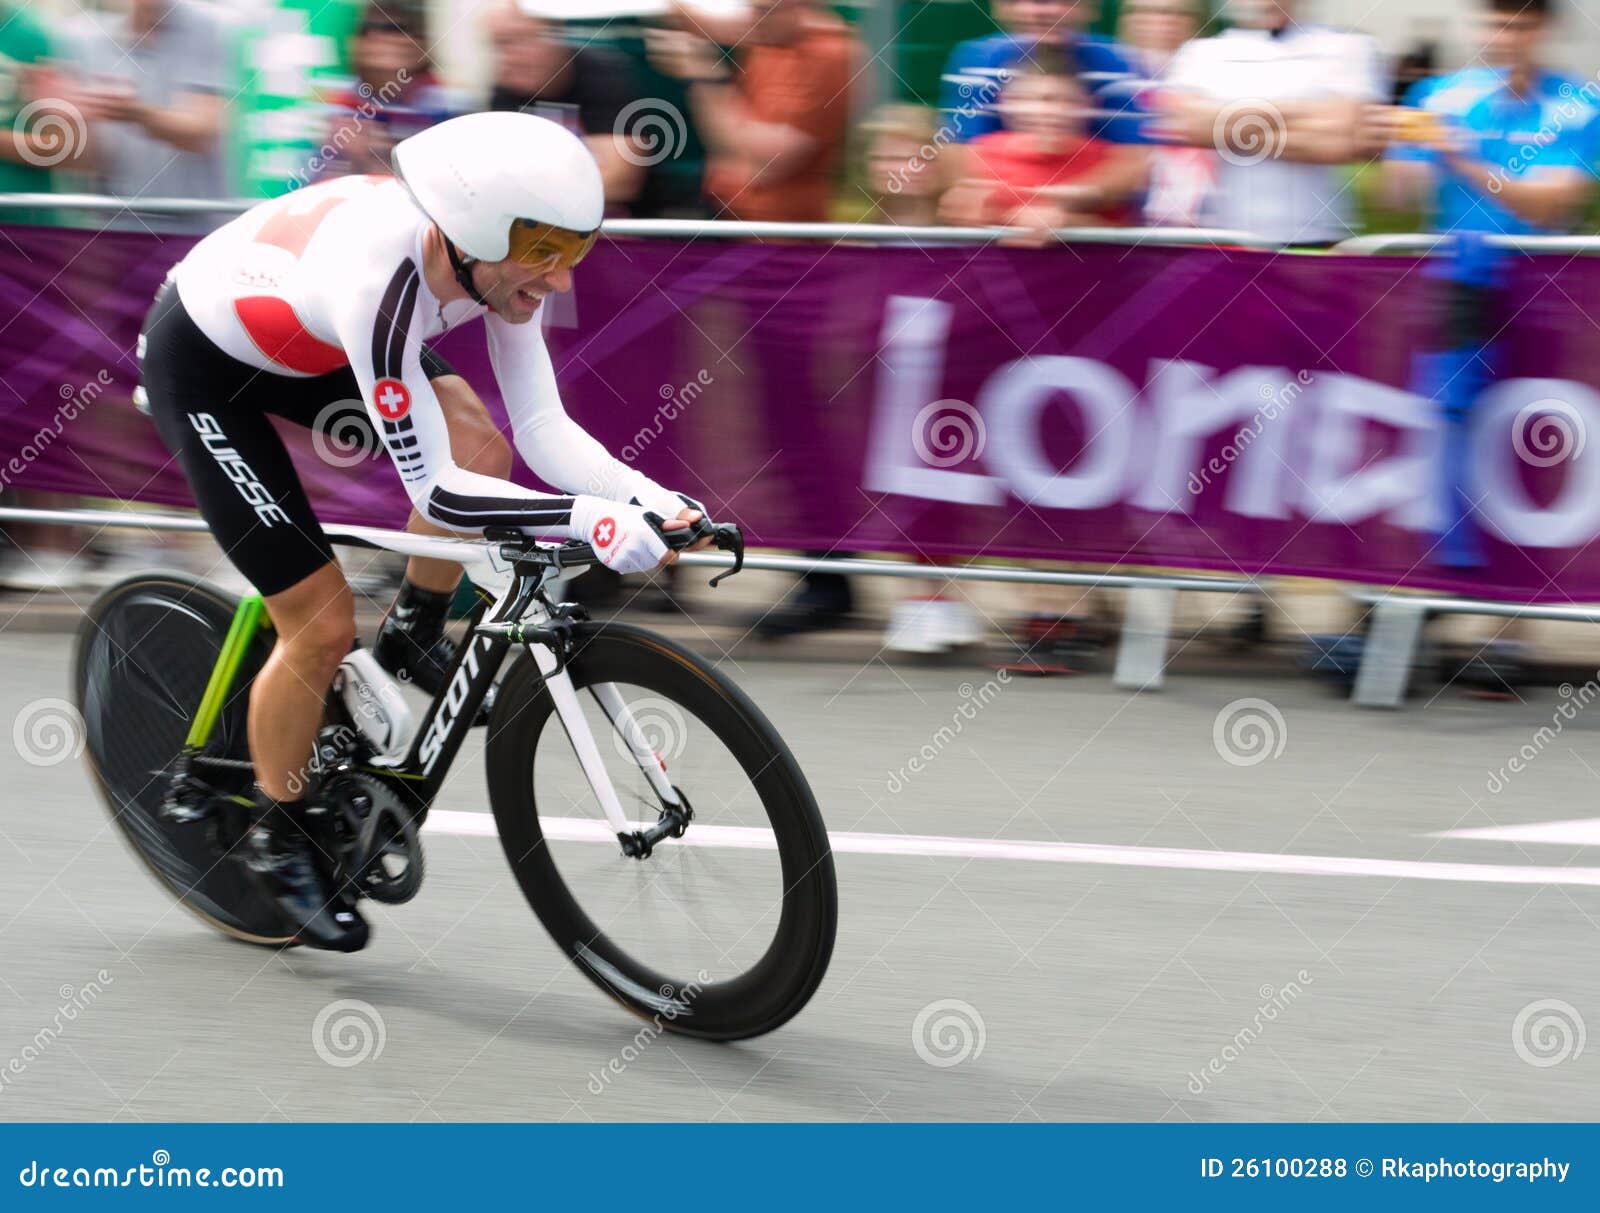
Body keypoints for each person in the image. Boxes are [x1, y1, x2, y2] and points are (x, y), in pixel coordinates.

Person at [141, 112, 711, 952]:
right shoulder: (384, 279)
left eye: (573, 253)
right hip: (208, 365)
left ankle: (412, 631)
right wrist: (595, 518)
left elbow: (542, 430)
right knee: (321, 623)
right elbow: (437, 489)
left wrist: (652, 497)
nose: (557, 281)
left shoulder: (493, 259)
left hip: (313, 340)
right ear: (474, 234)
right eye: (544, 252)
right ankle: (278, 832)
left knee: (481, 435)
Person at [1373, 0, 1597, 691]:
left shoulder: (1579, 103)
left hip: (1543, 294)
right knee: (1450, 439)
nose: (1506, 36)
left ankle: (1509, 628)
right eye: (1496, 22)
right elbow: (1396, 191)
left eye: (1521, 24)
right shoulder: (1444, 95)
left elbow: (1551, 202)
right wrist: (1397, 122)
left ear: (1543, 29)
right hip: (1460, 291)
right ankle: (1448, 598)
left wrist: (1460, 157)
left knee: (1530, 447)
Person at [1159, 0, 1386, 246]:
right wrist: (1312, 118)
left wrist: (1225, 126)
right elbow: (1189, 127)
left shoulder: (1349, 47)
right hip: (1224, 238)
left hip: (1316, 239)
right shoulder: (1199, 53)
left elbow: (1339, 141)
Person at [650, 0, 859, 223]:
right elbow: (694, 19)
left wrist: (704, 78)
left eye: (762, 11)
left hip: (776, 229)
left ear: (802, 8)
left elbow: (770, 163)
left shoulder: (830, 55)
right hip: (729, 212)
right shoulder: (771, 27)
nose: (753, 19)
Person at [56, 0, 231, 232]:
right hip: (113, 230)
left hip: (191, 230)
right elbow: (90, 160)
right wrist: (64, 115)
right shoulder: (85, 38)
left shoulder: (205, 27)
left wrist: (136, 114)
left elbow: (201, 136)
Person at [936, 0, 1148, 192]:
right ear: (1002, 7)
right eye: (1034, 1)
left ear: (1088, 8)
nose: (1047, 11)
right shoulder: (976, 60)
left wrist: (1052, 206)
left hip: (1098, 222)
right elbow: (958, 160)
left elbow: (1134, 164)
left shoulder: (1116, 62)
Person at [940, 55, 1148, 234]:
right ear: (1007, 103)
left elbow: (1125, 239)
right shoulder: (978, 157)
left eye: (1067, 101)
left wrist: (1067, 223)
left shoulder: (1109, 161)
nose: (1052, 112)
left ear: (1088, 106)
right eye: (1036, 99)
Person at [483, 2, 653, 211]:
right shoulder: (507, 90)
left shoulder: (605, 75)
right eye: (500, 45)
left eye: (522, 40)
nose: (510, 57)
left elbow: (620, 182)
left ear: (556, 36)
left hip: (622, 231)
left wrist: (524, 195)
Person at [311, 2, 460, 182]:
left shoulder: (446, 108)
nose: (385, 41)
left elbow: (449, 187)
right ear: (356, 43)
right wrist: (339, 155)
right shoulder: (335, 107)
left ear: (419, 43)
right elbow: (309, 191)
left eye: (399, 29)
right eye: (371, 29)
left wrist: (375, 160)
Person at [1118, 0, 1217, 227]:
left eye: (1174, 13)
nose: (1162, 21)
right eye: (1148, 11)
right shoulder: (1115, 69)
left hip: (1197, 210)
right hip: (1129, 208)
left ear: (1193, 19)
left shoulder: (1212, 69)